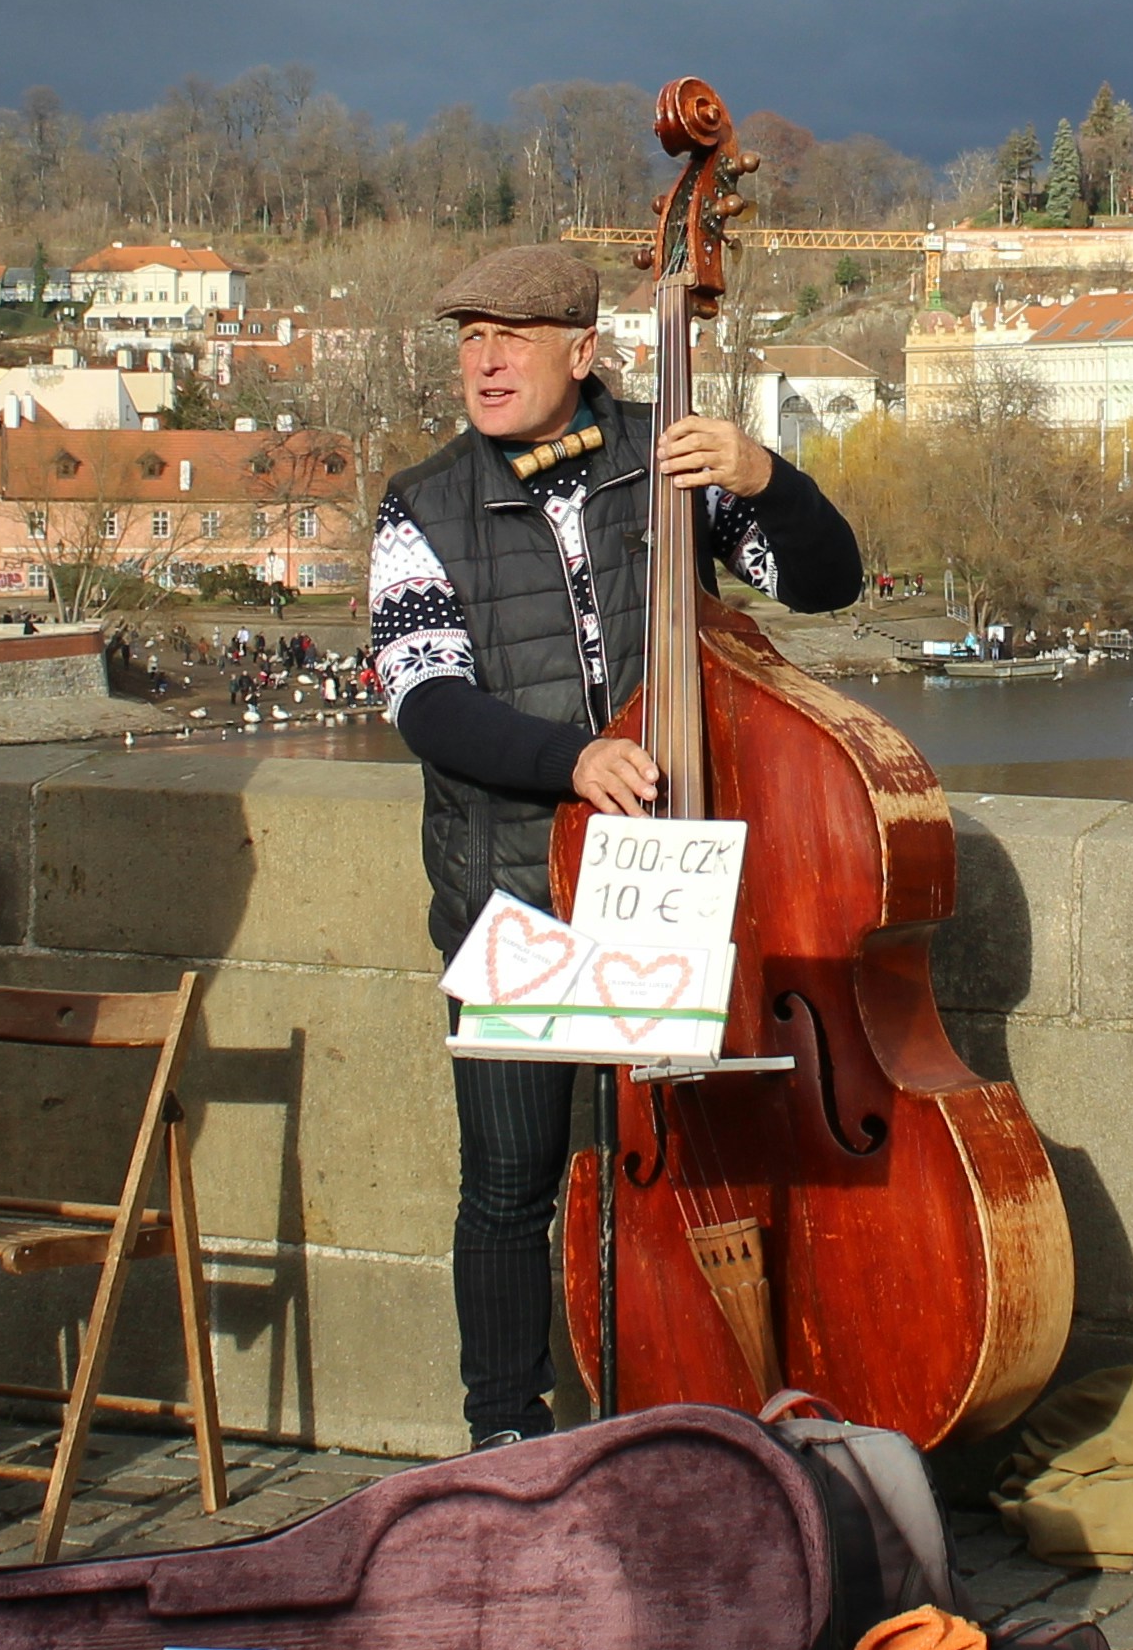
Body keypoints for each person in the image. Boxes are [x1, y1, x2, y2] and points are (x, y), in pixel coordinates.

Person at [365, 241, 869, 1448]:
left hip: (668, 892)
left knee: (689, 1174)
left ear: (581, 352)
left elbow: (827, 581)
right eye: (469, 338)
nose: (483, 361)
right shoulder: (420, 504)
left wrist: (765, 474)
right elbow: (422, 699)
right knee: (508, 1184)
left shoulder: (668, 463)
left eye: (511, 338)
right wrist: (571, 761)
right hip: (516, 895)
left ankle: (704, 1418)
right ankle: (505, 1441)